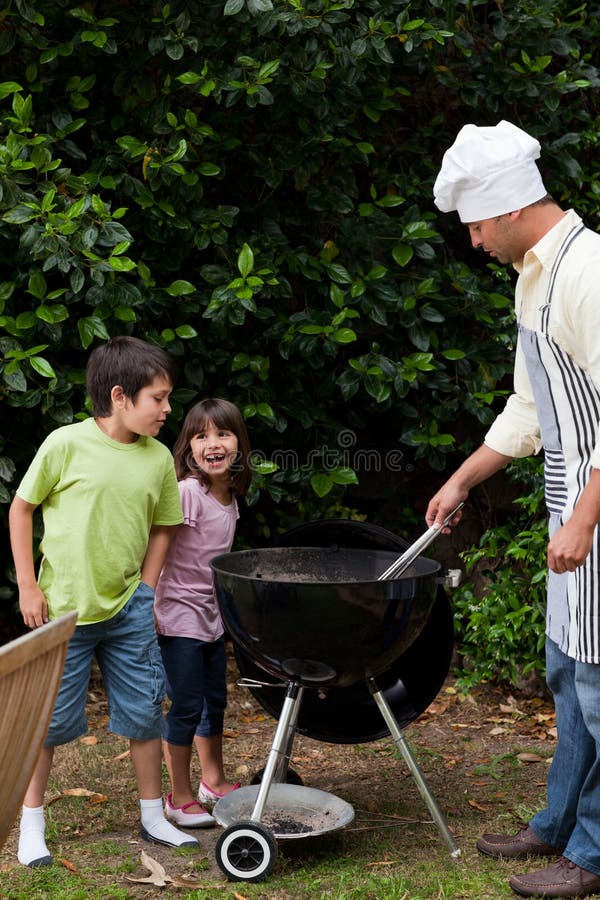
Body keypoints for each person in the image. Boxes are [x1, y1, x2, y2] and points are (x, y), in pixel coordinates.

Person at [429, 120, 600, 898]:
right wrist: (462, 479)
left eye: (472, 223)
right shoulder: (535, 277)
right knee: (568, 675)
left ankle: (592, 855)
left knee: (597, 685)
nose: (470, 241)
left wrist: (585, 518)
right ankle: (559, 823)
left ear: (504, 209)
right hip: (572, 507)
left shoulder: (588, 270)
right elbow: (529, 410)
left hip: (592, 511)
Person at [8, 335, 198, 868]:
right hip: (62, 611)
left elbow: (164, 526)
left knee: (144, 714)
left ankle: (152, 814)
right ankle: (32, 826)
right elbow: (20, 510)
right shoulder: (64, 444)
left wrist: (148, 587)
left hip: (128, 610)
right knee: (47, 723)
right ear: (120, 396)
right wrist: (28, 585)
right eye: (158, 398)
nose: (166, 410)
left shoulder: (159, 457)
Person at [154, 398, 252, 828]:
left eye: (222, 434)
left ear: (238, 444)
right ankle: (179, 796)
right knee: (188, 704)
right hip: (178, 616)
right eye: (201, 436)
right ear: (189, 449)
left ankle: (213, 781)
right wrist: (145, 601)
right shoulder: (188, 494)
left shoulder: (229, 496)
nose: (212, 444)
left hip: (211, 617)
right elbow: (155, 546)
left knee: (216, 700)